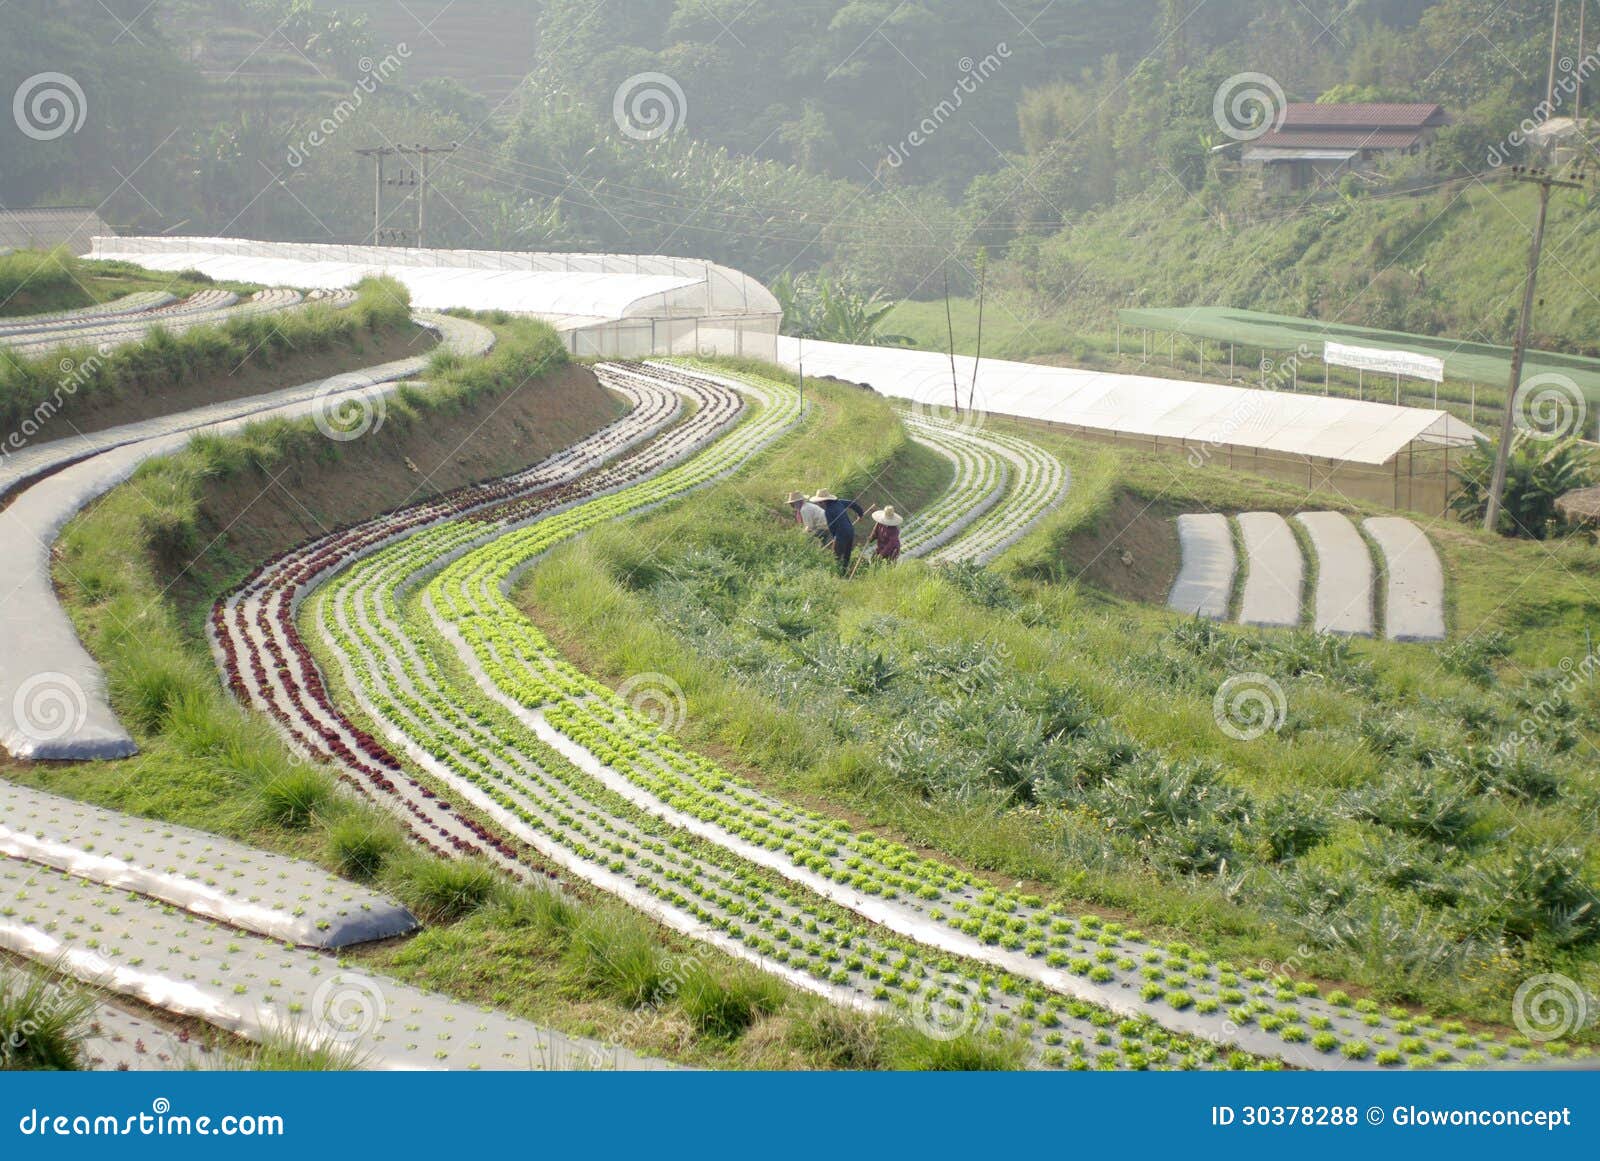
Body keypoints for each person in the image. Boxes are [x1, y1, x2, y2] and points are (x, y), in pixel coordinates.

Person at [811, 490, 864, 574]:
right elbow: (852, 503)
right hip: (850, 531)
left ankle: (837, 574)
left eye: (819, 503)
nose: (819, 505)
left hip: (841, 534)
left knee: (836, 556)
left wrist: (835, 538)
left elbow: (832, 528)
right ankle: (845, 571)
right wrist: (860, 514)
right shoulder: (839, 502)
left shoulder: (828, 511)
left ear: (824, 501)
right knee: (847, 554)